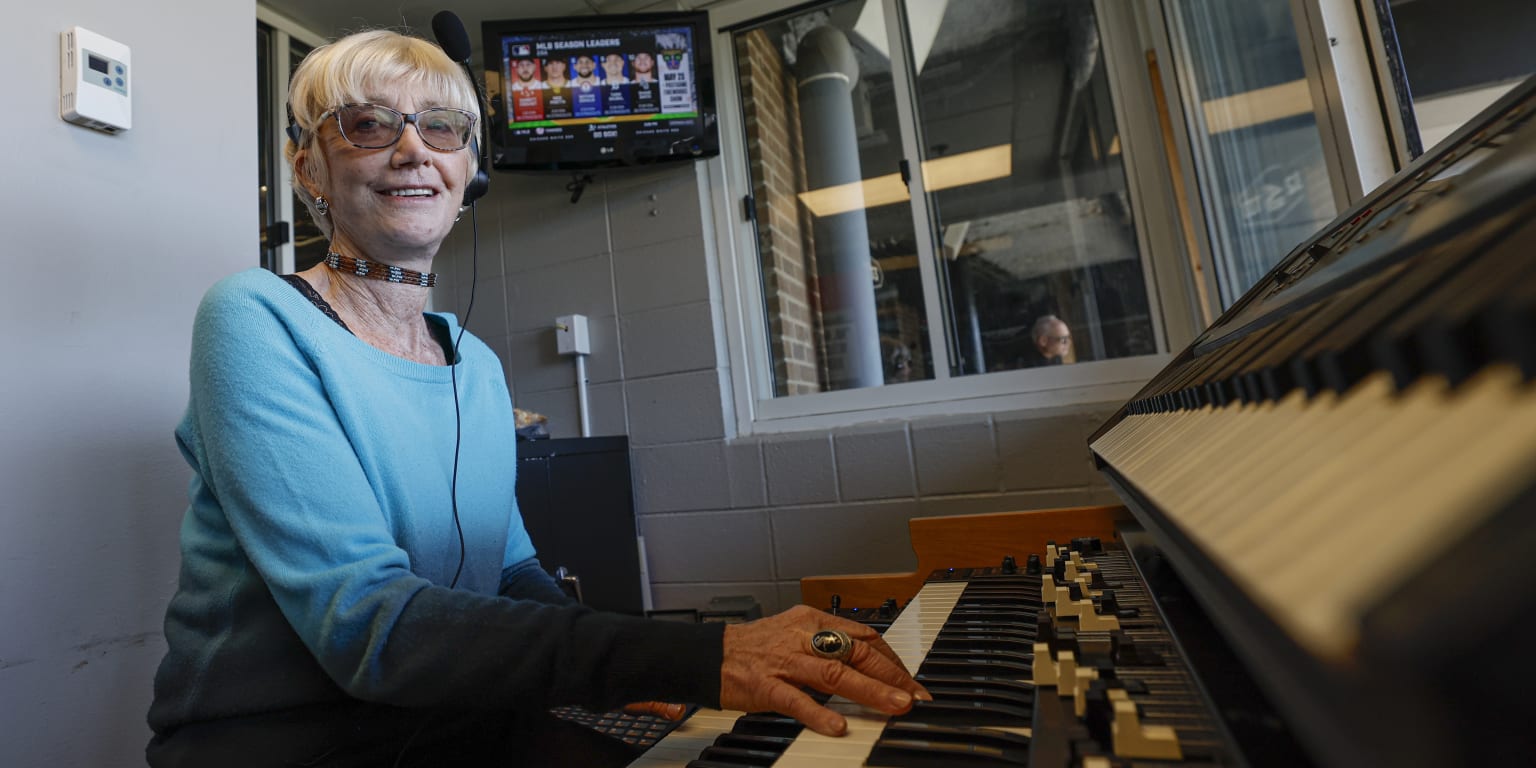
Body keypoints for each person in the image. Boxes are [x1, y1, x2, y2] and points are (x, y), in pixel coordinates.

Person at [145, 29, 926, 768]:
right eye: (368, 124)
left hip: (471, 719)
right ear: (310, 170)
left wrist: (627, 660)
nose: (413, 147)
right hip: (293, 748)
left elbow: (514, 569)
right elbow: (368, 627)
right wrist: (704, 655)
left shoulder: (475, 365)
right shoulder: (254, 318)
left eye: (442, 128)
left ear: (466, 177)